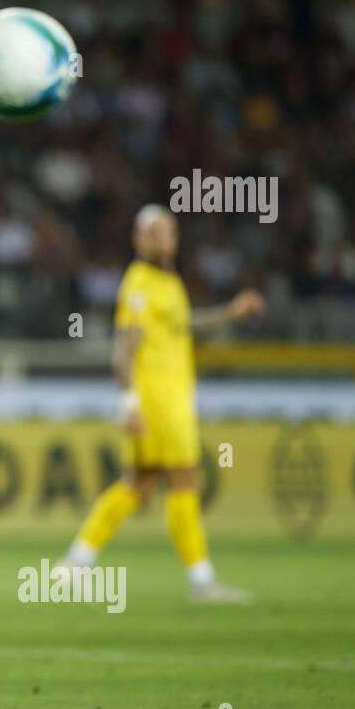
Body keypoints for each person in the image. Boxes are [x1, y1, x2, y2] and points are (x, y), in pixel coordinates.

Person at [55, 204, 265, 603]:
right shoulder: (139, 283)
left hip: (169, 398)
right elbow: (123, 348)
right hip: (158, 401)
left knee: (138, 483)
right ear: (138, 239)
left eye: (168, 231)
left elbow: (182, 324)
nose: (164, 238)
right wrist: (129, 402)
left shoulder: (167, 283)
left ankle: (76, 562)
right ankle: (201, 581)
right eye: (154, 232)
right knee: (184, 479)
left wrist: (230, 313)